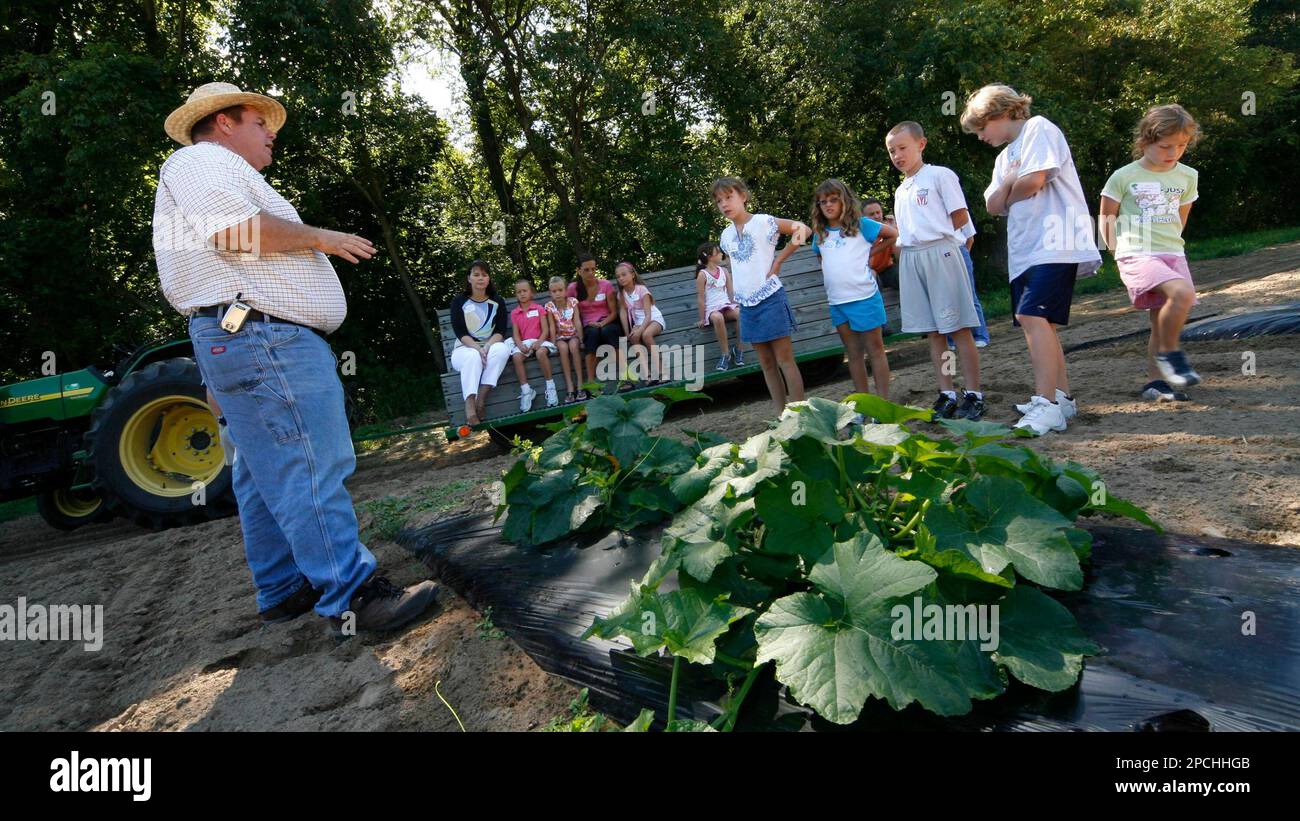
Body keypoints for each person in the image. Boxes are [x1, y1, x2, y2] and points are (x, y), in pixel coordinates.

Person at [153, 82, 436, 634]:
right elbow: (234, 234)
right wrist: (323, 238)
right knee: (310, 462)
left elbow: (215, 259)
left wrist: (218, 358)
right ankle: (354, 594)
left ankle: (283, 587)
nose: (272, 135)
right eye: (262, 124)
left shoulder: (201, 171)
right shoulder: (200, 160)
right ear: (224, 122)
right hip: (262, 337)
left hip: (237, 335)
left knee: (263, 471)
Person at [961, 84, 1102, 435]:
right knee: (1040, 324)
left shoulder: (1039, 127)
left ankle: (1047, 405)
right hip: (1025, 251)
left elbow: (1035, 181)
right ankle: (1062, 398)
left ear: (1000, 114)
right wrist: (1011, 180)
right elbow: (993, 207)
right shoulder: (1003, 159)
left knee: (1031, 315)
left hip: (1054, 241)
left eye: (981, 128)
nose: (980, 137)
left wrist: (1009, 187)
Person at [1098, 103, 1203, 400]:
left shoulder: (1187, 176)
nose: (1174, 153)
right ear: (1145, 141)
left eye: (1181, 145)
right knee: (1181, 295)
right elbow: (1107, 217)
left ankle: (1156, 384)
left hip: (1172, 252)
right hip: (1136, 252)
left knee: (1160, 320)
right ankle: (1171, 354)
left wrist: (1171, 247)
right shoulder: (1123, 176)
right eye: (1166, 146)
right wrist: (1115, 253)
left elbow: (1181, 217)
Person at [885, 122, 985, 420]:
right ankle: (947, 392)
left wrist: (946, 249)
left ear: (921, 144)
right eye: (892, 151)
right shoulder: (902, 189)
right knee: (934, 331)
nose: (898, 155)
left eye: (903, 148)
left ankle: (974, 394)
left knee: (958, 327)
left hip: (940, 251)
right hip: (913, 258)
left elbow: (960, 216)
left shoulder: (939, 175)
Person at [712, 177, 811, 415]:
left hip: (771, 299)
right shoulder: (725, 236)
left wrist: (779, 259)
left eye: (729, 197)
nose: (724, 204)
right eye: (719, 201)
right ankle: (781, 415)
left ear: (743, 196)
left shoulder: (763, 222)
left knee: (785, 360)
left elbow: (803, 230)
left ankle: (799, 414)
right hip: (747, 306)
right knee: (766, 364)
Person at [809, 178, 896, 402]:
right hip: (838, 302)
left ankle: (882, 403)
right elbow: (821, 258)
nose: (828, 205)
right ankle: (864, 404)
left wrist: (870, 253)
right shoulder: (820, 233)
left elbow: (892, 234)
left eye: (833, 200)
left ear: (844, 201)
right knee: (853, 354)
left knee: (875, 350)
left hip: (865, 297)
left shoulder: (862, 225)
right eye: (822, 202)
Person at [449, 261, 511, 424]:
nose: (480, 278)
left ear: (489, 279)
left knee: (502, 350)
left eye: (484, 275)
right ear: (469, 278)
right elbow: (460, 333)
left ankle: (481, 399)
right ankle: (470, 406)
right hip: (464, 349)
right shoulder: (459, 301)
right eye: (476, 275)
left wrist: (487, 347)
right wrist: (478, 348)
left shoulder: (497, 301)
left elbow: (500, 331)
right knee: (472, 356)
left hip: (489, 346)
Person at [567, 252, 621, 397]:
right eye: (586, 270)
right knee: (592, 333)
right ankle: (591, 383)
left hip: (607, 321)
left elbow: (614, 312)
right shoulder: (573, 289)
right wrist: (578, 334)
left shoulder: (605, 285)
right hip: (588, 326)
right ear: (579, 271)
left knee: (608, 331)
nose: (591, 272)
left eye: (593, 269)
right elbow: (571, 314)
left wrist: (602, 323)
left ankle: (625, 376)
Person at [507, 276, 559, 411]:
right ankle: (526, 391)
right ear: (516, 295)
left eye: (525, 290)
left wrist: (540, 341)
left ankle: (550, 387)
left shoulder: (539, 309)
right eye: (519, 292)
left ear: (531, 292)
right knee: (516, 357)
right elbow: (516, 334)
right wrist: (519, 345)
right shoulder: (514, 313)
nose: (522, 294)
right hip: (524, 343)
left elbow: (546, 329)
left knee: (541, 352)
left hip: (540, 341)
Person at [614, 261, 667, 388]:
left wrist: (640, 329)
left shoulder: (641, 290)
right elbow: (623, 313)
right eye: (618, 276)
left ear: (632, 275)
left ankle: (662, 372)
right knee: (634, 338)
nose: (621, 278)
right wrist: (628, 333)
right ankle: (647, 375)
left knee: (646, 335)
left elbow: (648, 315)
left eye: (624, 274)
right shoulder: (621, 295)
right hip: (639, 322)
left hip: (654, 319)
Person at [695, 242, 744, 371]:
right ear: (710, 257)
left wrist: (736, 304)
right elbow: (701, 298)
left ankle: (739, 349)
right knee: (717, 317)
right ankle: (725, 354)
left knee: (741, 314)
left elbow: (730, 291)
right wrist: (702, 318)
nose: (722, 254)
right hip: (712, 309)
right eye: (718, 252)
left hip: (725, 305)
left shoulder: (724, 271)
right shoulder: (702, 275)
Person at [545, 276, 584, 403]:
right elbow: (551, 326)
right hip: (560, 337)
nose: (557, 293)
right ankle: (570, 387)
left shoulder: (572, 302)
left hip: (573, 335)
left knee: (573, 347)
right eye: (554, 291)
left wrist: (581, 338)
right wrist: (553, 343)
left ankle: (580, 385)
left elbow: (577, 321)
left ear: (566, 290)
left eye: (560, 290)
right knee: (562, 348)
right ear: (550, 293)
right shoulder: (550, 306)